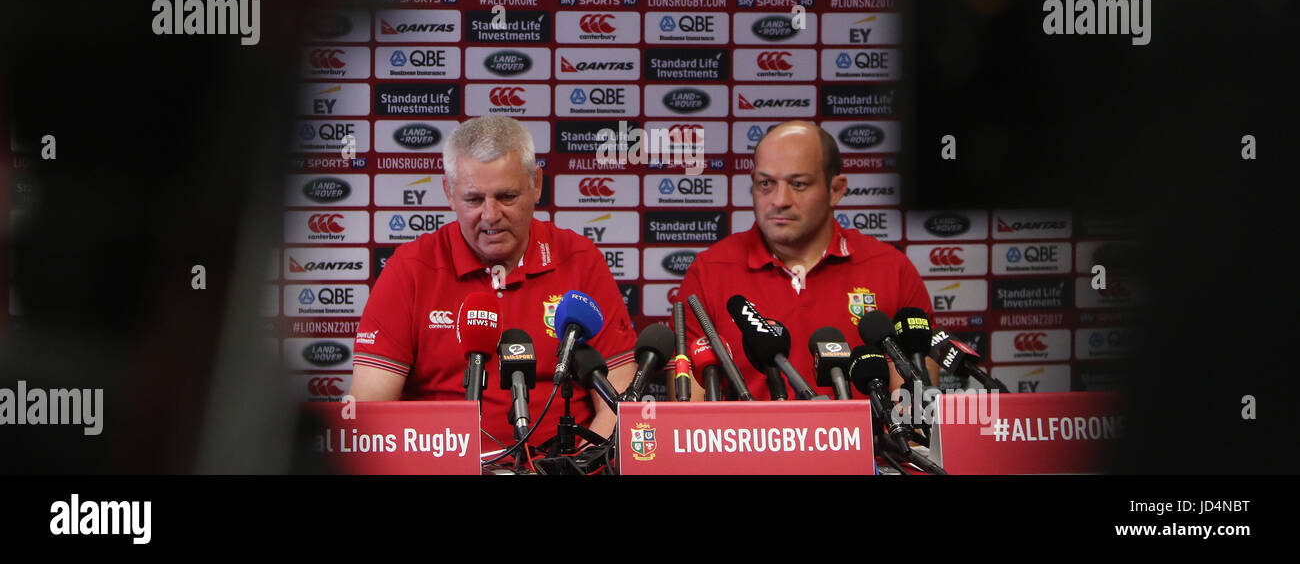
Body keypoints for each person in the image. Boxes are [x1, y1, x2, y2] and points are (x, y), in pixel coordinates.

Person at [351, 115, 637, 446]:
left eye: (507, 196)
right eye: (474, 199)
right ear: (449, 192)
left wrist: (580, 467)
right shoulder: (410, 269)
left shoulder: (579, 259)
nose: (490, 215)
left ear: (536, 185)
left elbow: (618, 403)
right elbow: (369, 412)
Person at [677, 120, 939, 400]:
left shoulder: (891, 271)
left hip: (869, 444)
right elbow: (688, 420)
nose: (779, 200)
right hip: (744, 444)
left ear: (835, 190)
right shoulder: (709, 273)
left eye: (798, 184)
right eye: (766, 183)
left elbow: (916, 415)